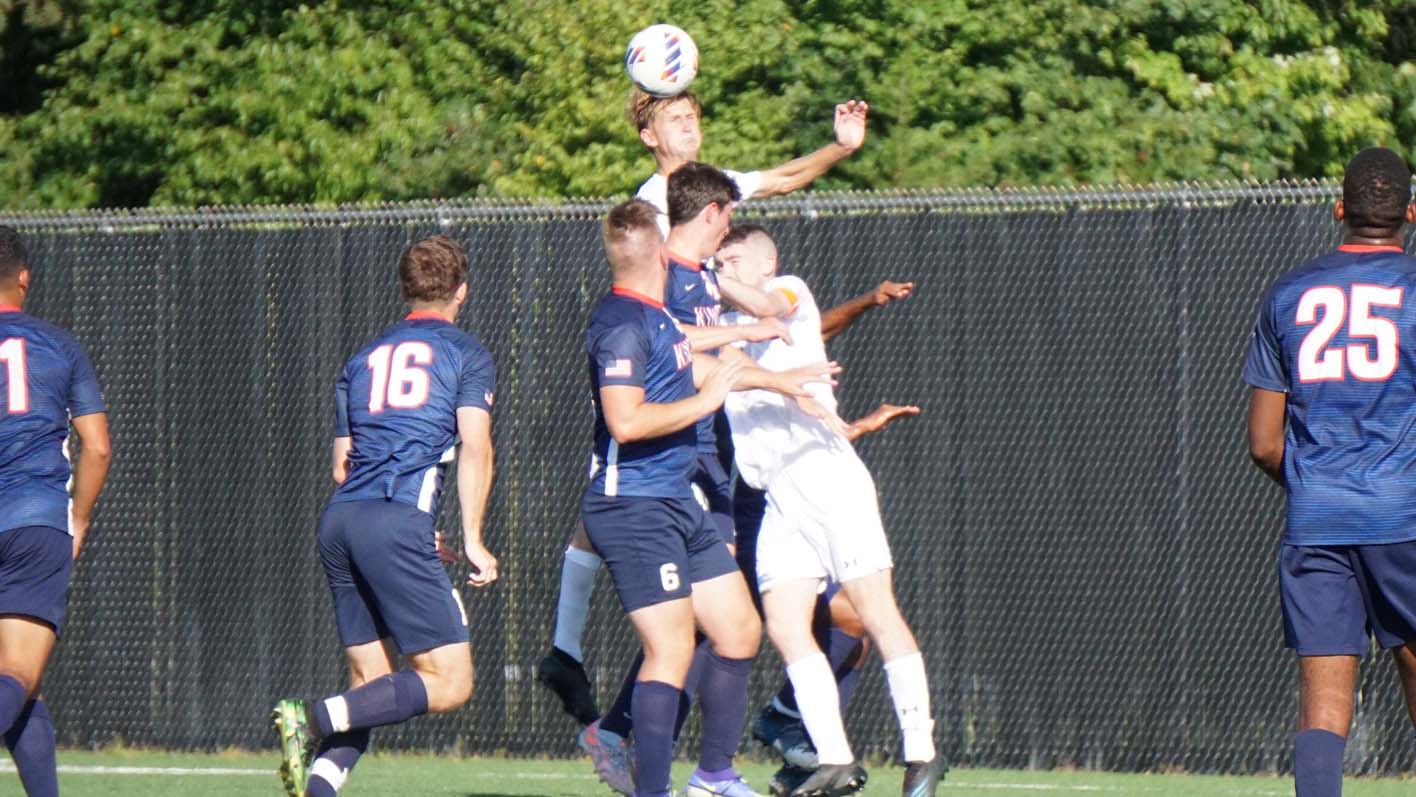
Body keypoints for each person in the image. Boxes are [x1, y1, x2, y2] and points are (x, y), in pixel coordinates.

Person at [537, 92, 873, 724]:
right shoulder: (654, 210)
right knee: (626, 520)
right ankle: (577, 665)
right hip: (660, 387)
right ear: (648, 136)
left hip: (713, 413)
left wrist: (841, 147)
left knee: (722, 609)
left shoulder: (708, 193)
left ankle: (654, 735)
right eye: (674, 116)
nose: (690, 123)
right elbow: (651, 313)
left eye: (693, 114)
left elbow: (782, 178)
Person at [581, 199, 836, 797]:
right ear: (654, 259)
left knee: (739, 631)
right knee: (669, 648)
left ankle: (713, 777)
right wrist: (707, 403)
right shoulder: (621, 323)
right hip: (633, 507)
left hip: (676, 502)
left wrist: (780, 382)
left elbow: (707, 369)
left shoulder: (659, 317)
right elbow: (625, 422)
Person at [717, 224, 940, 797]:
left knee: (875, 613)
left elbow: (769, 305)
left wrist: (706, 270)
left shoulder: (786, 291)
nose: (726, 267)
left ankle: (922, 755)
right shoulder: (722, 325)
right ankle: (834, 759)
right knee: (787, 626)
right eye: (720, 259)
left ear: (768, 263)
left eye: (736, 259)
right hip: (780, 497)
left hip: (826, 477)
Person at [272, 235, 498, 797]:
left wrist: (413, 530)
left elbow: (343, 467)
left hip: (343, 524)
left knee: (369, 688)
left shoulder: (361, 360)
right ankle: (311, 719)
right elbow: (476, 446)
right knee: (451, 682)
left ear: (404, 291)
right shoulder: (466, 354)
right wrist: (472, 537)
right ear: (461, 293)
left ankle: (318, 788)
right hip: (393, 523)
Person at [1244, 146, 1416, 797]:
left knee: (1323, 701)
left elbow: (1264, 443)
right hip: (1404, 514)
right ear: (1411, 214)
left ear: (1339, 209)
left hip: (1316, 519)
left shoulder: (1288, 293)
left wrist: (1322, 481)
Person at [0, 225, 111, 797]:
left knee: (26, 685)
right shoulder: (59, 345)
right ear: (25, 278)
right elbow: (96, 445)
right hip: (33, 519)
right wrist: (80, 518)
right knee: (17, 674)